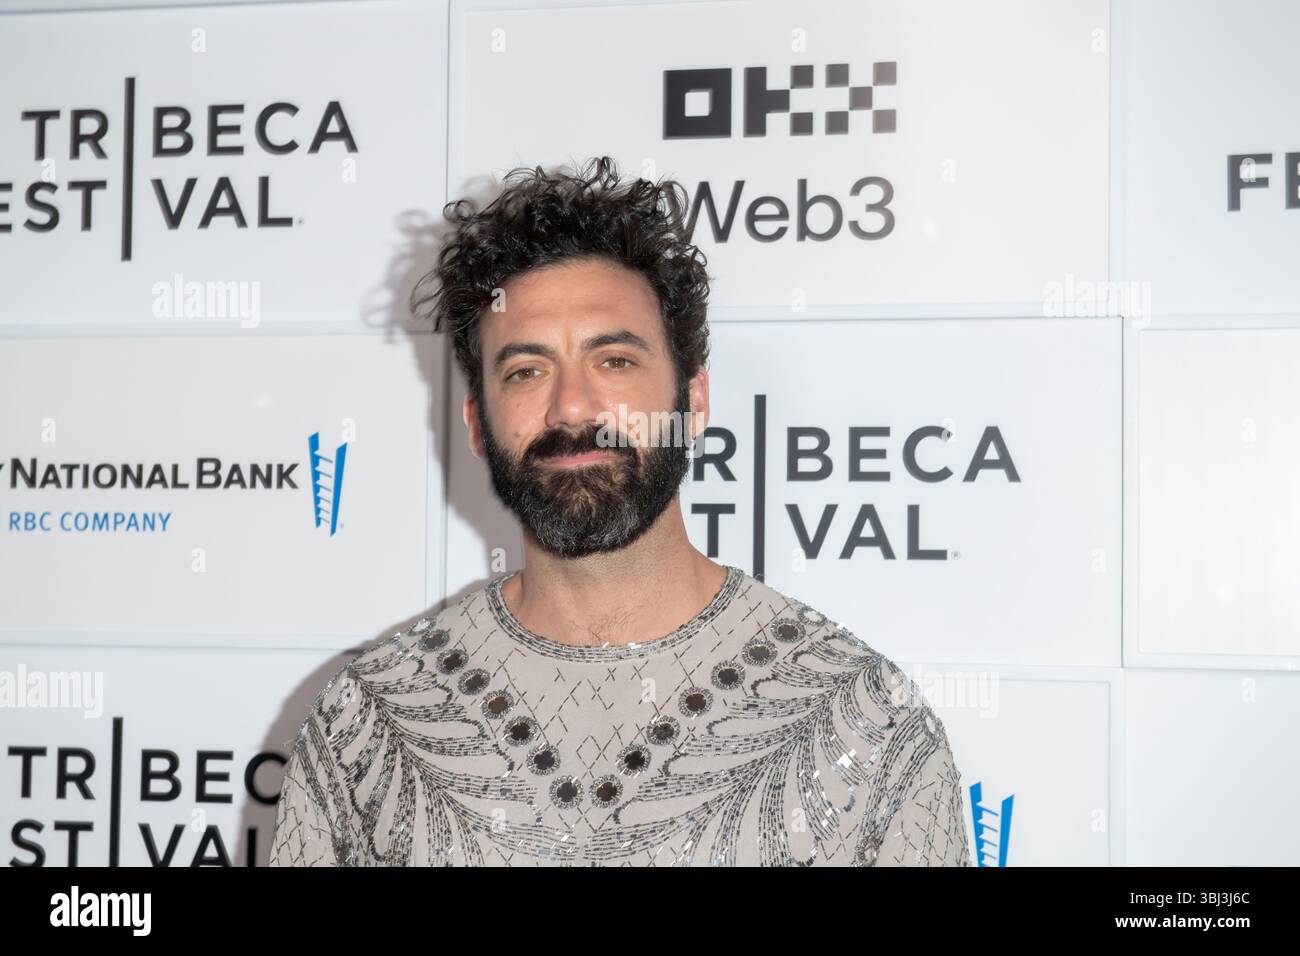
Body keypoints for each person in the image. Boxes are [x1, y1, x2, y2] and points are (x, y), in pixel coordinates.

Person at [269, 156, 970, 867]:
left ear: (693, 401)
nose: (572, 406)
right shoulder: (367, 723)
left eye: (615, 361)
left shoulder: (864, 723)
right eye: (526, 370)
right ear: (478, 422)